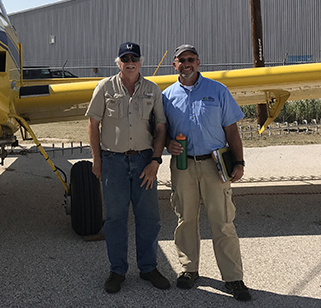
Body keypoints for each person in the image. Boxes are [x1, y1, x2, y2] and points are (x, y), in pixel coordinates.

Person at [162, 44, 252, 302]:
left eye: (191, 59)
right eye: (181, 60)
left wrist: (240, 162)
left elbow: (232, 130)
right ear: (174, 65)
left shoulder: (218, 91)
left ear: (199, 63)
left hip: (215, 165)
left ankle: (233, 278)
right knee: (185, 219)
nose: (186, 64)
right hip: (183, 166)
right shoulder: (166, 96)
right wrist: (169, 143)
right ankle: (189, 270)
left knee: (222, 222)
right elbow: (161, 130)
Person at [86, 41, 170, 294]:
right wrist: (97, 160)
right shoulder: (105, 87)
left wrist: (155, 161)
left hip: (144, 161)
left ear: (141, 62)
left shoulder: (152, 89)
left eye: (134, 57)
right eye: (125, 58)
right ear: (119, 62)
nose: (130, 61)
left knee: (149, 218)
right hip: (113, 161)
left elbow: (160, 128)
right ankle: (117, 270)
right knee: (115, 218)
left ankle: (148, 268)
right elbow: (93, 124)